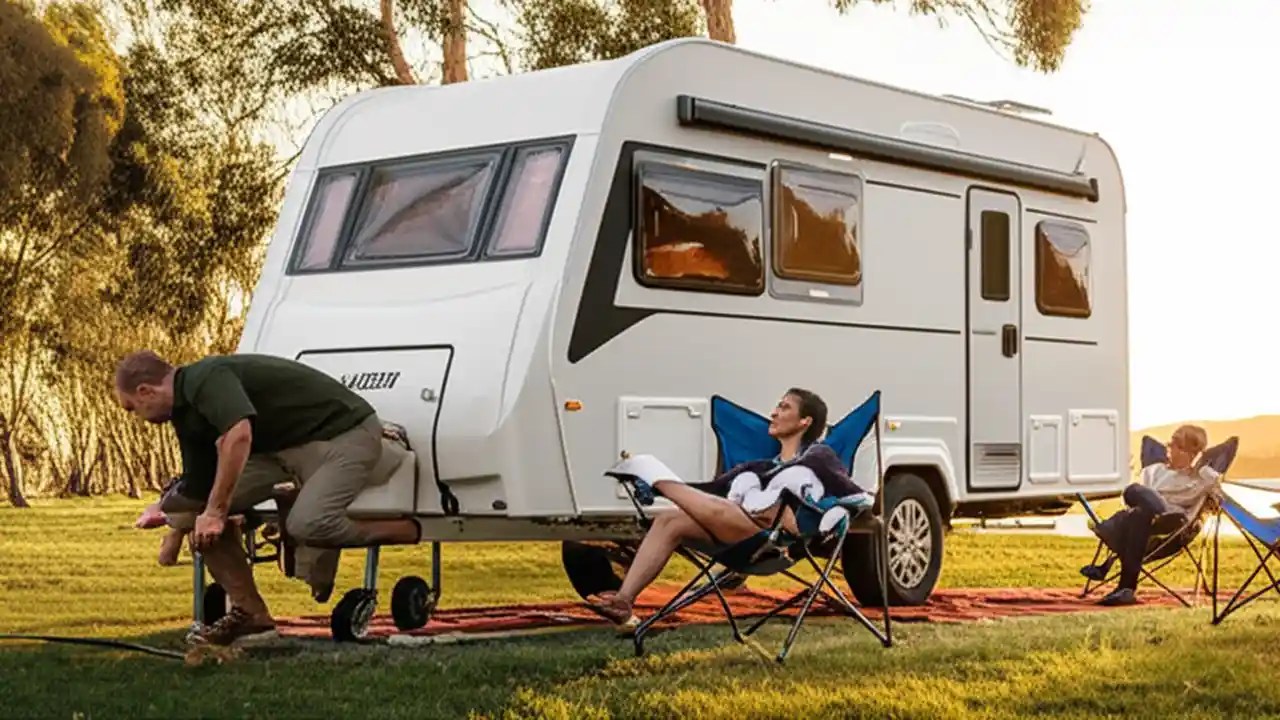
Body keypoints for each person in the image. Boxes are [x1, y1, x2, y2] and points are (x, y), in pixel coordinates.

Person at [113, 350, 423, 646]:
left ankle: (406, 530)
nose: (136, 416)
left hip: (341, 434)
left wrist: (218, 510)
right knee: (193, 513)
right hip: (279, 451)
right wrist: (175, 516)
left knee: (309, 523)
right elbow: (197, 486)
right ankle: (252, 615)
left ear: (145, 391)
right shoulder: (184, 414)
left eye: (132, 408)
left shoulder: (206, 379)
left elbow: (239, 436)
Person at [586, 388, 869, 626]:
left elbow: (854, 494)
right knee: (669, 520)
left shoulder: (819, 455)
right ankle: (624, 602)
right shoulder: (757, 467)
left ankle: (660, 479)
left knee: (724, 510)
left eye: (784, 407)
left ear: (805, 421)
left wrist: (832, 514)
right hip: (736, 537)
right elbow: (710, 493)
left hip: (772, 544)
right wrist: (651, 486)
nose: (774, 412)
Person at [1080, 424, 1222, 606]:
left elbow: (1218, 499)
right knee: (1136, 501)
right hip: (1148, 525)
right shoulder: (1155, 471)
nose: (1170, 448)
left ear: (1192, 453)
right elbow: (1132, 501)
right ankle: (1126, 589)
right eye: (1171, 443)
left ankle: (1109, 551)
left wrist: (1202, 468)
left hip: (1175, 527)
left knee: (1136, 511)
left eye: (1177, 445)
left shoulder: (1200, 479)